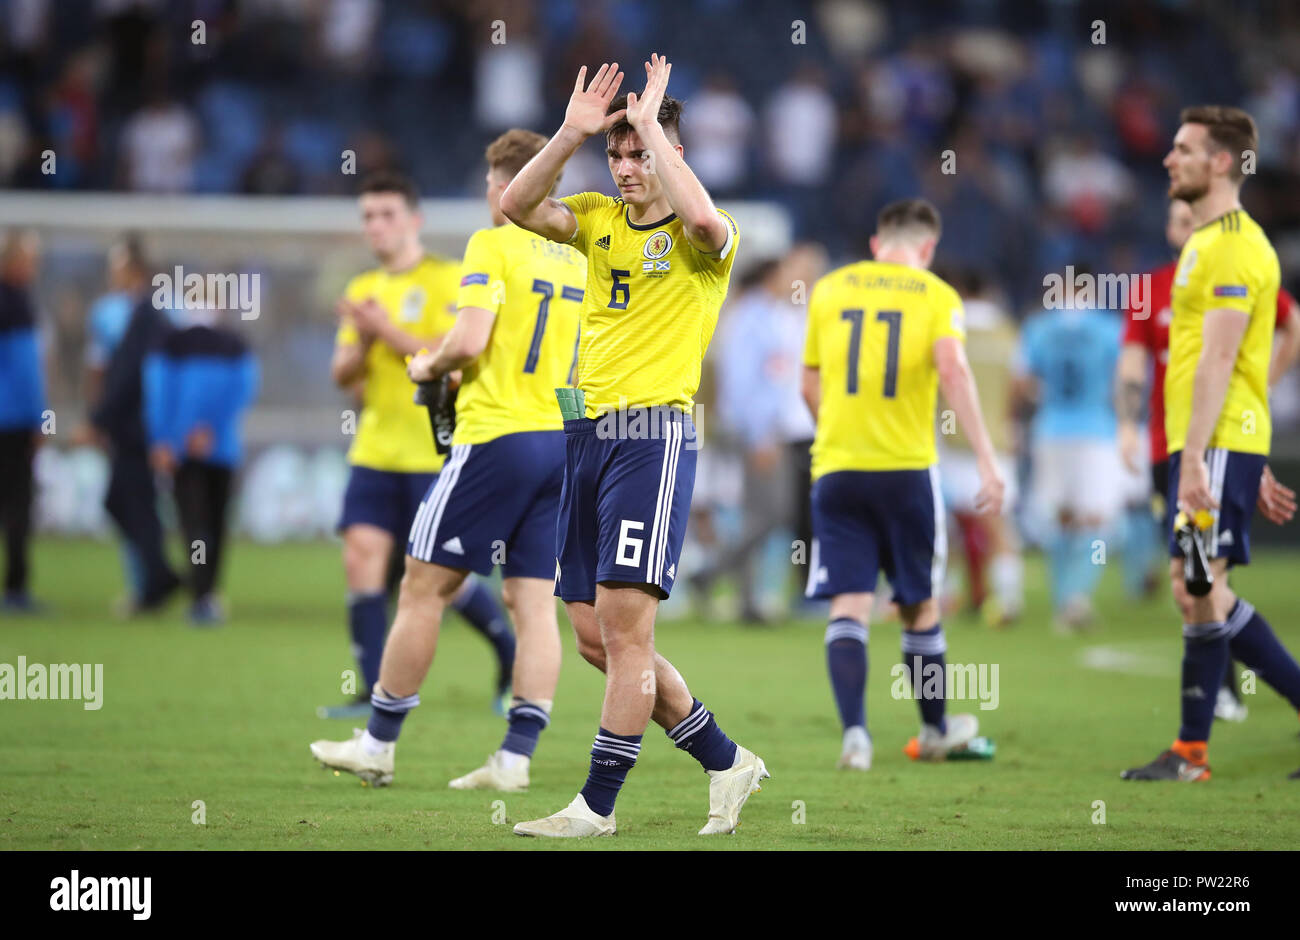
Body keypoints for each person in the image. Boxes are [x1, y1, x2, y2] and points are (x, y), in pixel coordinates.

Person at [500, 55, 768, 837]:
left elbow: (711, 226)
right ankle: (725, 759)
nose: (623, 168)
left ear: (671, 156)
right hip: (584, 436)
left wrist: (652, 125)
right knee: (594, 635)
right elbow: (518, 205)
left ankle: (597, 805)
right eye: (615, 155)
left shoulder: (701, 241)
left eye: (638, 153)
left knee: (626, 630)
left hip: (652, 437)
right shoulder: (596, 217)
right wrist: (570, 132)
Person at [309, 129, 585, 790]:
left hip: (497, 436)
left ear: (507, 187)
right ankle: (515, 759)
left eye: (493, 182)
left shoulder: (491, 245)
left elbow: (466, 342)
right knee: (533, 603)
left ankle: (377, 744)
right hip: (561, 442)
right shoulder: (579, 260)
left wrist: (427, 364)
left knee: (422, 584)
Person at [1123, 106, 1300, 782]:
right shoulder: (1205, 239)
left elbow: (1221, 360)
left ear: (1221, 161)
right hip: (1217, 446)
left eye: (1184, 149)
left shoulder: (1232, 246)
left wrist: (1201, 456)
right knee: (1195, 585)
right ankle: (1192, 750)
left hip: (1215, 443)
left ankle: (1190, 752)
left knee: (1200, 583)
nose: (1169, 159)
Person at [801, 199, 1005, 771]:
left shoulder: (830, 289)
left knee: (849, 603)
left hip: (837, 470)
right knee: (917, 605)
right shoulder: (937, 296)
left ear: (876, 242)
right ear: (927, 249)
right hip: (907, 471)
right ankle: (936, 729)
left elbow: (807, 386)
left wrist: (841, 434)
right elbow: (954, 371)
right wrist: (988, 458)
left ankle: (856, 738)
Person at [321, 170, 514, 720]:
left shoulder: (452, 278)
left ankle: (507, 650)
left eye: (386, 215)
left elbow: (453, 350)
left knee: (441, 580)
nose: (375, 226)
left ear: (414, 219)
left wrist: (384, 331)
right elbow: (343, 374)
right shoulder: (364, 290)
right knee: (361, 559)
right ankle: (372, 690)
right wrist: (362, 338)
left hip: (435, 451)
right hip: (375, 450)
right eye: (367, 217)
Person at [1014, 268, 1122, 631]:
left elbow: (1024, 382)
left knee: (1058, 518)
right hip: (1096, 431)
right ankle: (1079, 596)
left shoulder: (1038, 327)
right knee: (1099, 521)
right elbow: (1126, 380)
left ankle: (1064, 598)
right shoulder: (1109, 328)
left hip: (1051, 430)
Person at [144, 300, 259, 625]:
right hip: (218, 448)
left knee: (196, 524)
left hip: (187, 449)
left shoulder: (169, 343)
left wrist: (165, 439)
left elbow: (158, 394)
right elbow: (243, 391)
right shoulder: (234, 345)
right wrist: (209, 429)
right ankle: (206, 591)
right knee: (212, 524)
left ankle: (202, 590)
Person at [89, 248, 182, 614]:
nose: (113, 275)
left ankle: (157, 578)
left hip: (137, 428)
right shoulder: (139, 314)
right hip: (137, 426)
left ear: (135, 272)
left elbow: (129, 378)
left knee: (129, 502)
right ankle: (155, 579)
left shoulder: (146, 316)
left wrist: (99, 418)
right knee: (131, 503)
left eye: (118, 268)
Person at [937, 270, 1023, 626]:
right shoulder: (1007, 332)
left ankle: (947, 597)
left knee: (946, 527)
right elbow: (1020, 384)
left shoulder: (946, 328)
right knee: (998, 525)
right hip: (996, 441)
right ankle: (1008, 600)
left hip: (951, 441)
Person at [0, 230, 47, 613]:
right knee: (18, 505)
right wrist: (41, 422)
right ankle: (15, 589)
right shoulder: (16, 305)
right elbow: (29, 373)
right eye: (30, 259)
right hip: (13, 421)